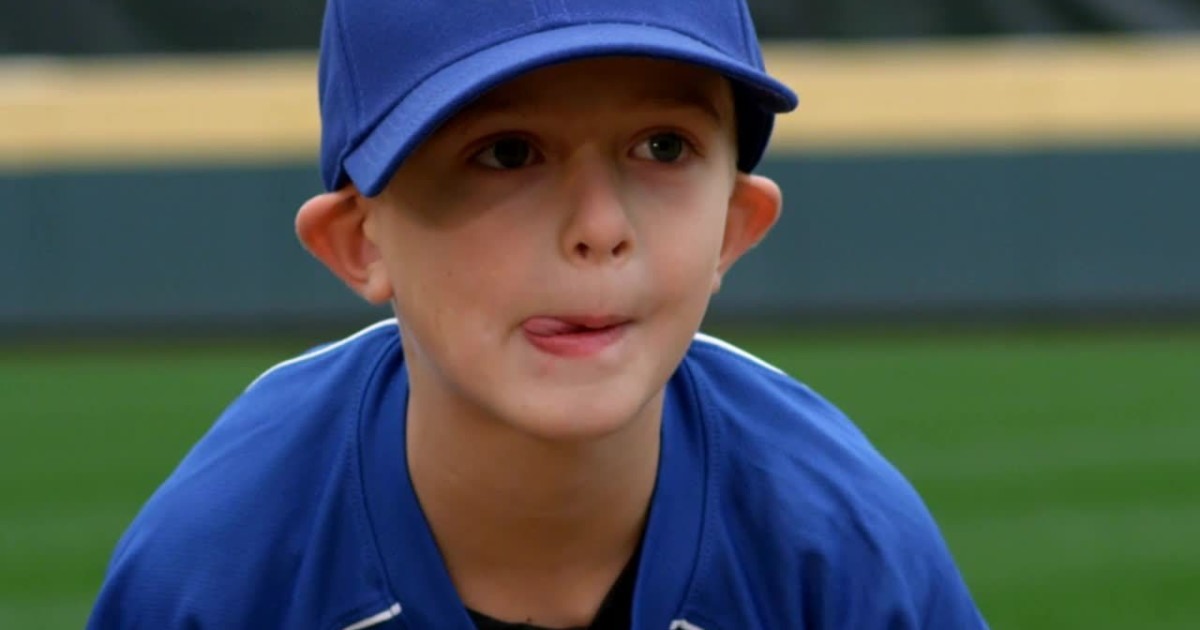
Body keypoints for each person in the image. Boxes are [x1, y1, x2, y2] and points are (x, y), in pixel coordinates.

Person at [88, 0, 990, 628]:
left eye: (662, 146)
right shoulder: (218, 571)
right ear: (360, 243)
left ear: (735, 225)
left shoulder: (842, 552)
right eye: (507, 153)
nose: (599, 227)